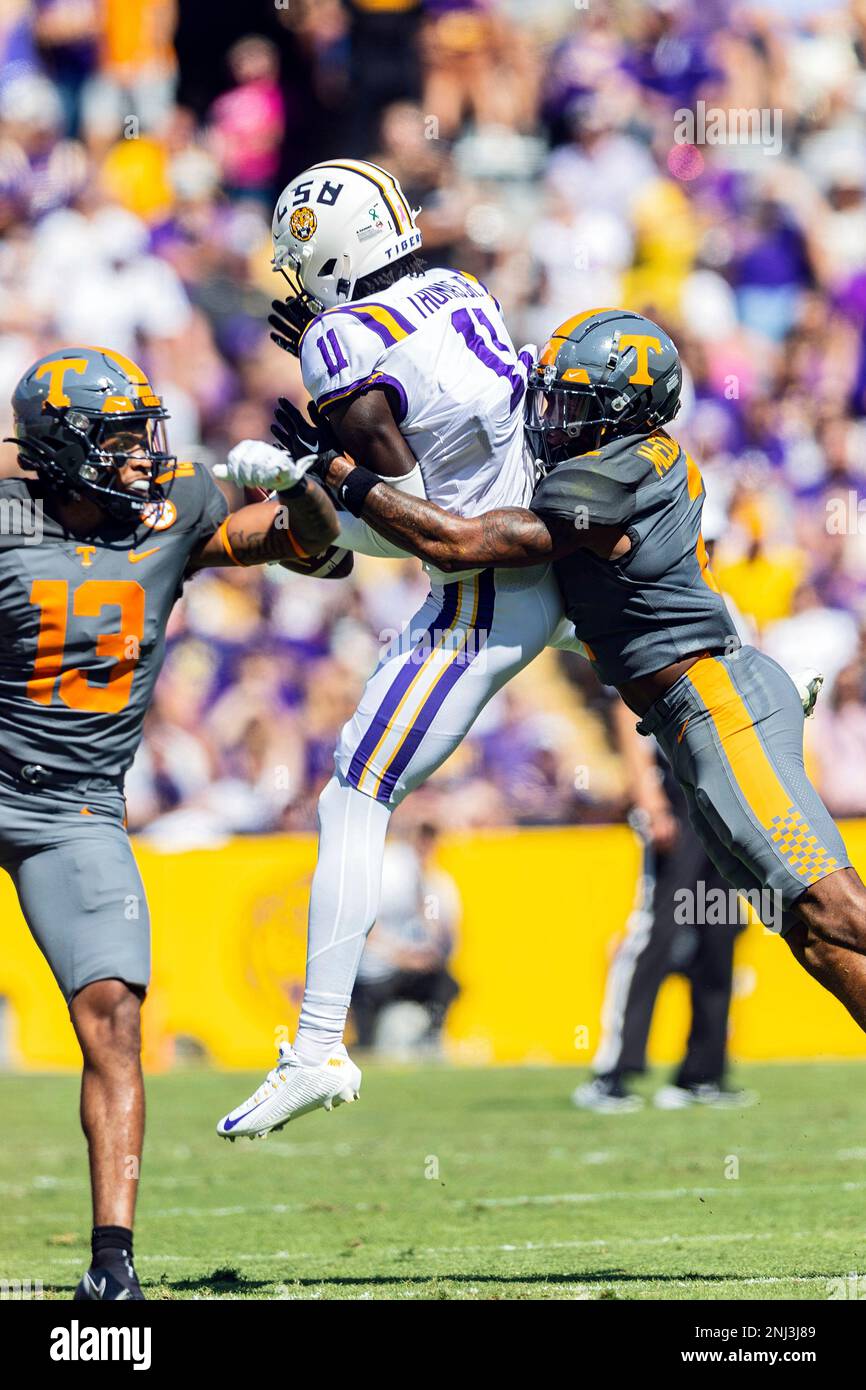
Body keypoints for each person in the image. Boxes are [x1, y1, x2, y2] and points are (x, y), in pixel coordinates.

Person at [312, 307, 866, 1051]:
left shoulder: (632, 466)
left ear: (625, 411)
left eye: (574, 402)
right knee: (812, 937)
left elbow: (460, 541)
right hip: (686, 718)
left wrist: (349, 478)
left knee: (836, 909)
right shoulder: (613, 461)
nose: (553, 415)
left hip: (717, 703)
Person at [215, 158, 581, 1139]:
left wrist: (305, 472)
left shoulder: (337, 339)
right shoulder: (457, 284)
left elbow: (394, 523)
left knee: (352, 792)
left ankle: (317, 1044)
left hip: (476, 589)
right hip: (544, 551)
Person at [1, 344, 339, 1299]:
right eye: (116, 440)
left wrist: (306, 481)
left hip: (75, 808)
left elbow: (308, 545)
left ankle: (113, 1265)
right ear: (59, 448)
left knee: (113, 1015)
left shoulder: (178, 505)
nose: (142, 456)